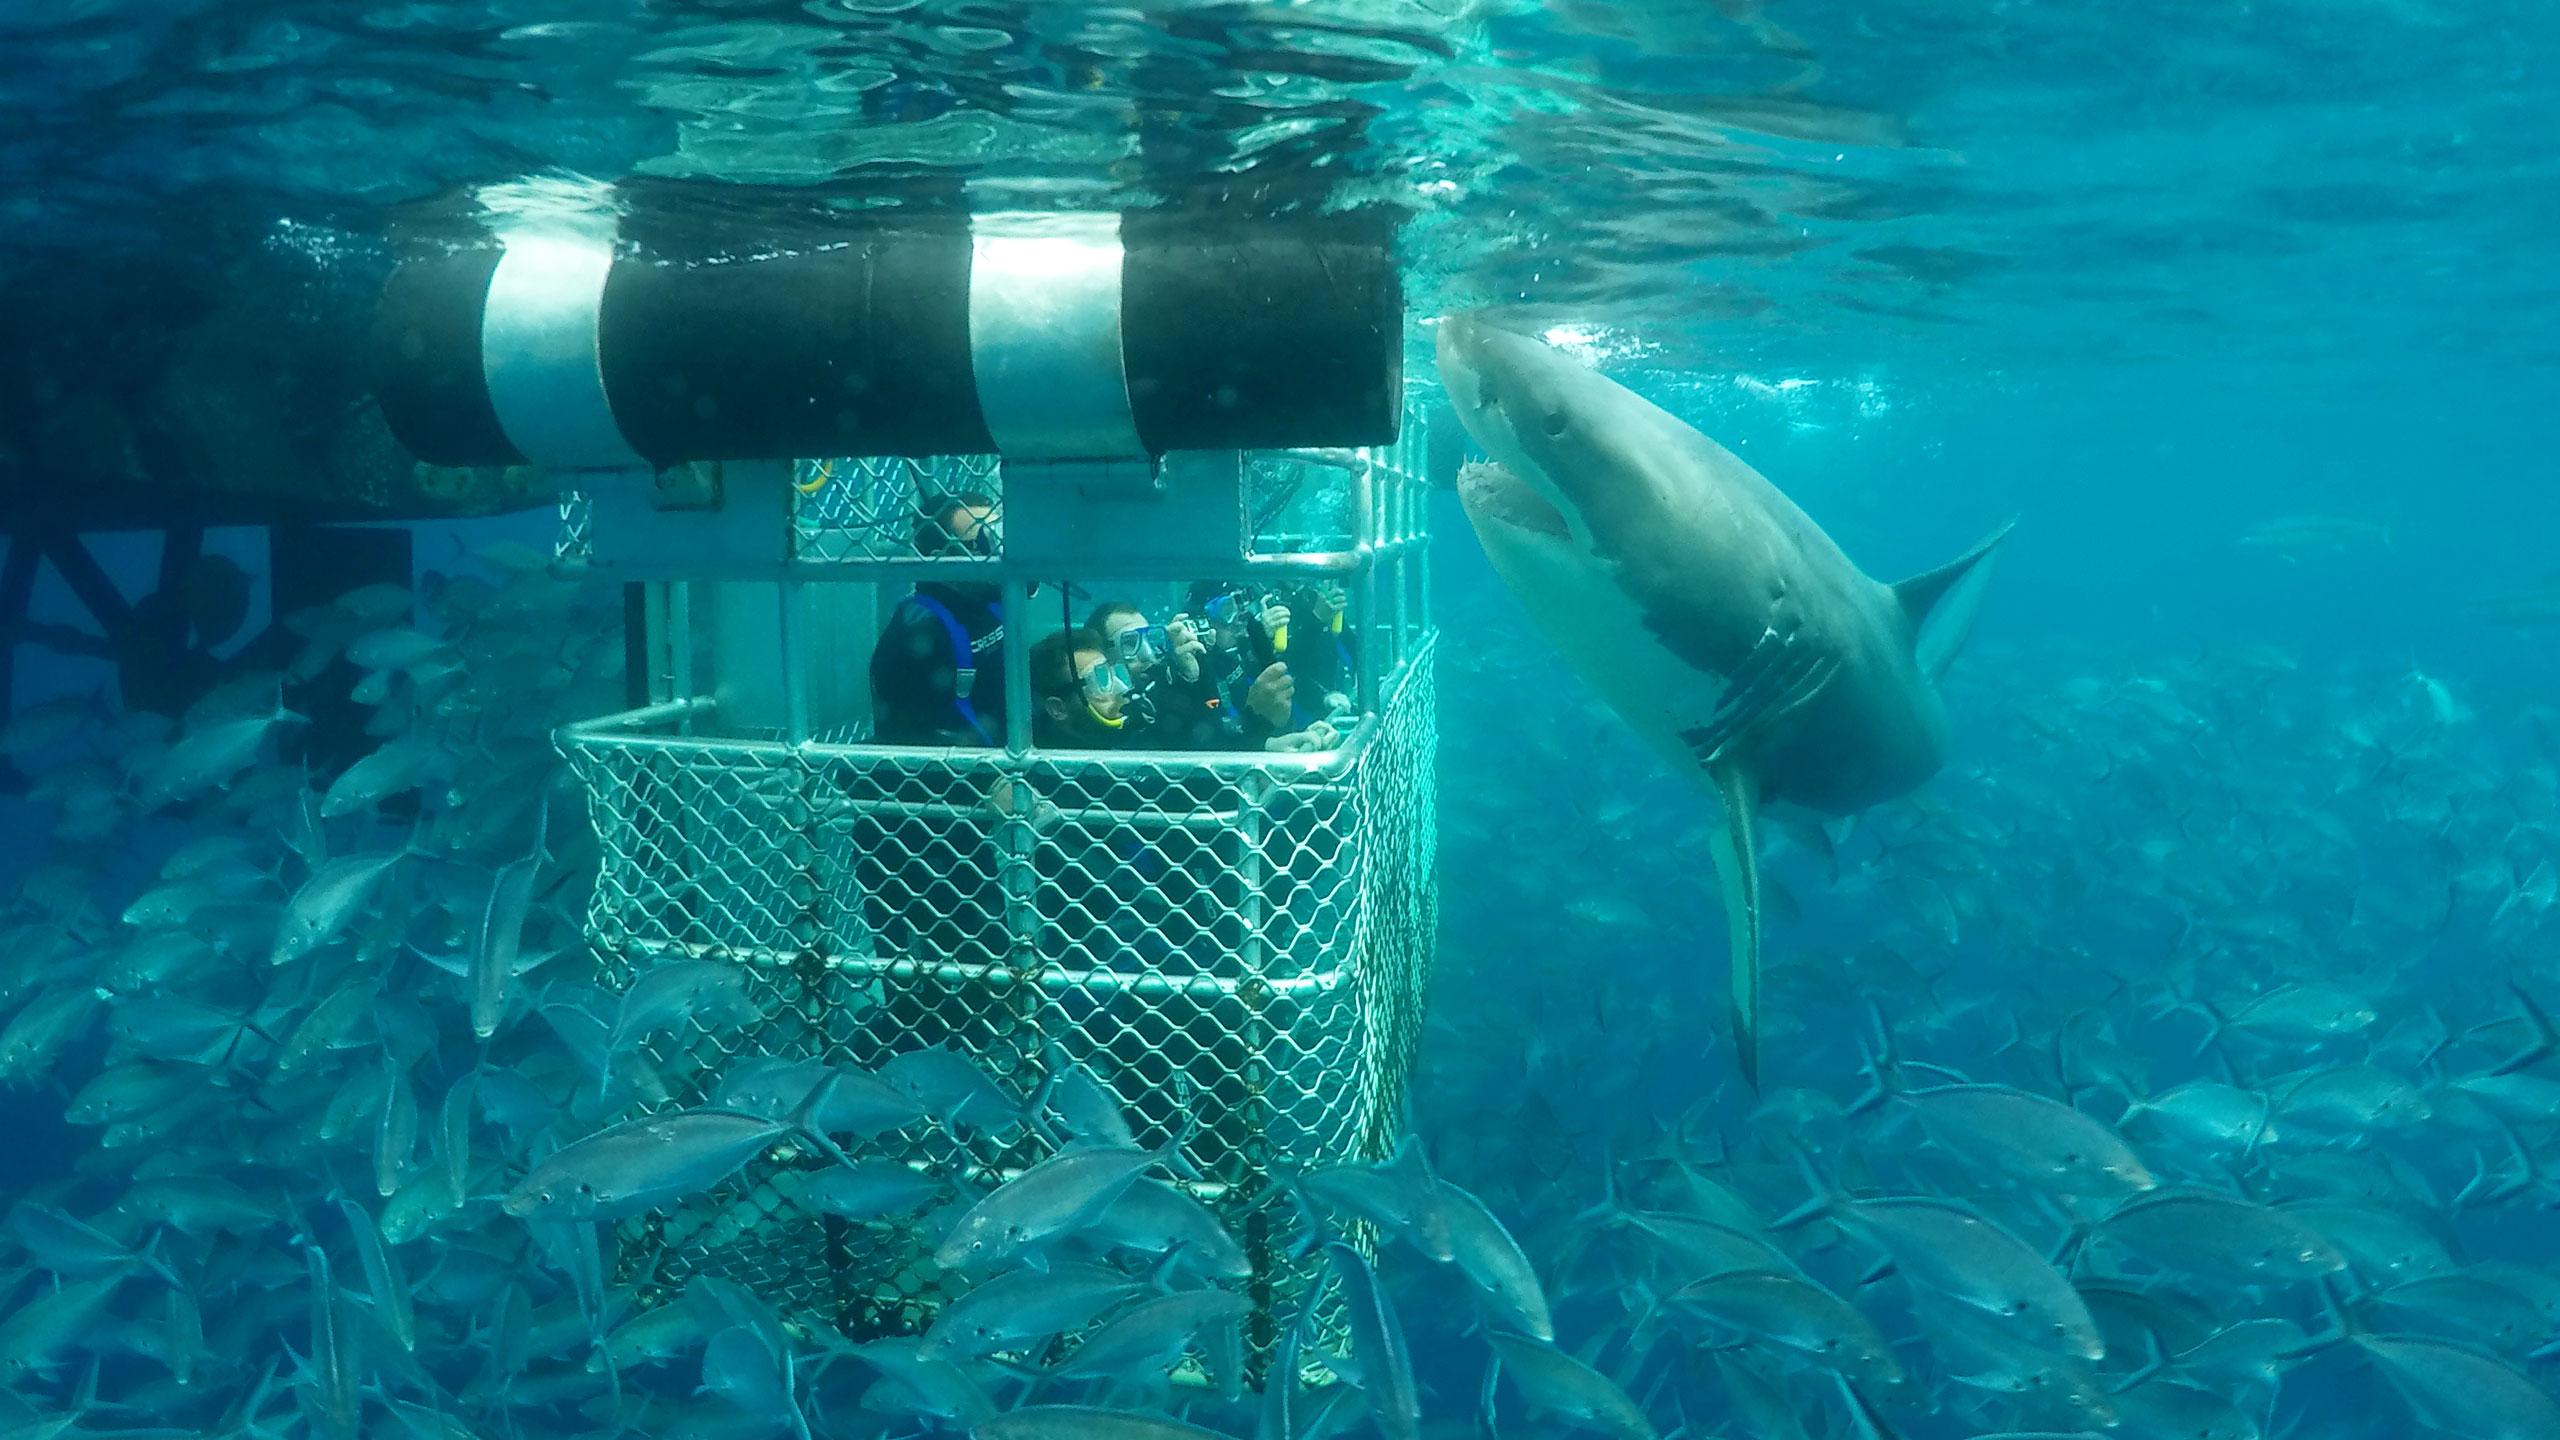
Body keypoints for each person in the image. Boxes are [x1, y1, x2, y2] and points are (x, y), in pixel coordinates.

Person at [868, 493, 1006, 746]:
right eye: (980, 543)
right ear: (941, 557)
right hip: (958, 772)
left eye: (998, 537)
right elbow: (912, 739)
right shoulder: (917, 631)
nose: (997, 553)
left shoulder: (994, 601)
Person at [1088, 599, 1291, 751]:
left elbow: (1208, 735)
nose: (1148, 655)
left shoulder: (1171, 682)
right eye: (1130, 643)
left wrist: (1193, 676)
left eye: (1150, 638)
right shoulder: (1106, 711)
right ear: (1101, 655)